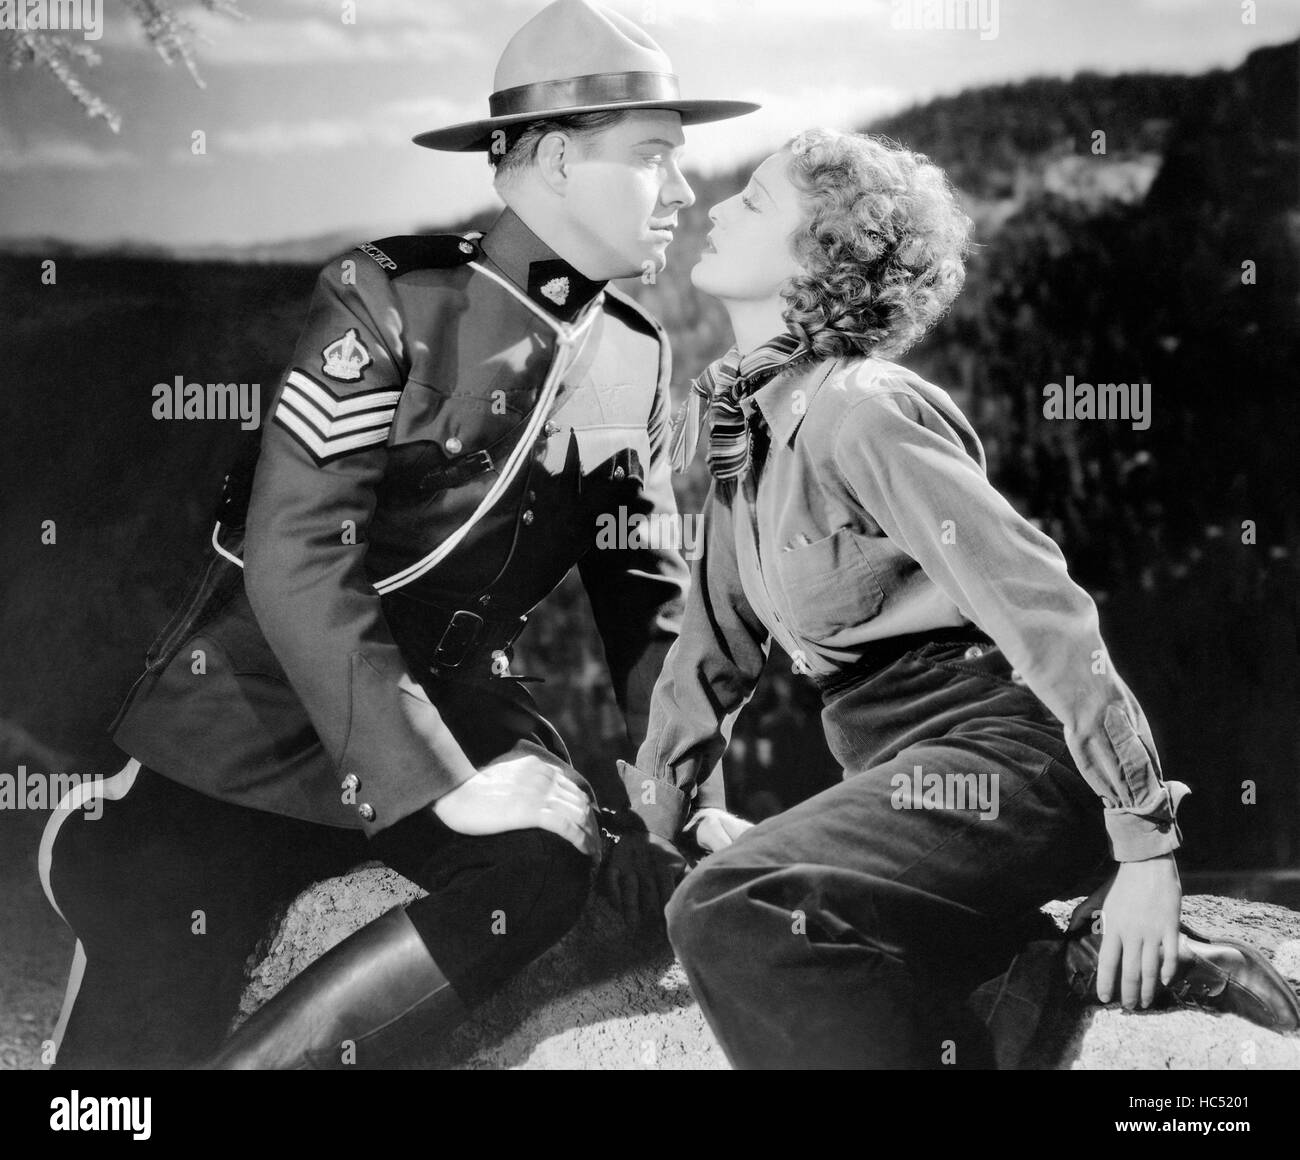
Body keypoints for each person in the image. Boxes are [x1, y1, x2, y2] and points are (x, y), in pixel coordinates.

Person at [38, 0, 756, 1070]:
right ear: (556, 160)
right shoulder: (392, 296)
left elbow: (642, 597)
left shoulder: (630, 351)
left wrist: (691, 793)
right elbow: (295, 555)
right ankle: (107, 835)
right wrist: (443, 782)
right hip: (257, 711)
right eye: (654, 156)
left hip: (456, 694)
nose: (683, 189)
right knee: (123, 1060)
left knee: (542, 863)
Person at [609, 128, 1300, 1068]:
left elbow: (1045, 608)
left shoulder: (863, 412)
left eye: (755, 202)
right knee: (745, 898)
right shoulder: (752, 433)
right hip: (903, 777)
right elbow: (710, 654)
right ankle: (1052, 971)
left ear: (823, 261)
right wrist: (653, 827)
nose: (716, 207)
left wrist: (1145, 846)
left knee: (734, 905)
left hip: (1012, 757)